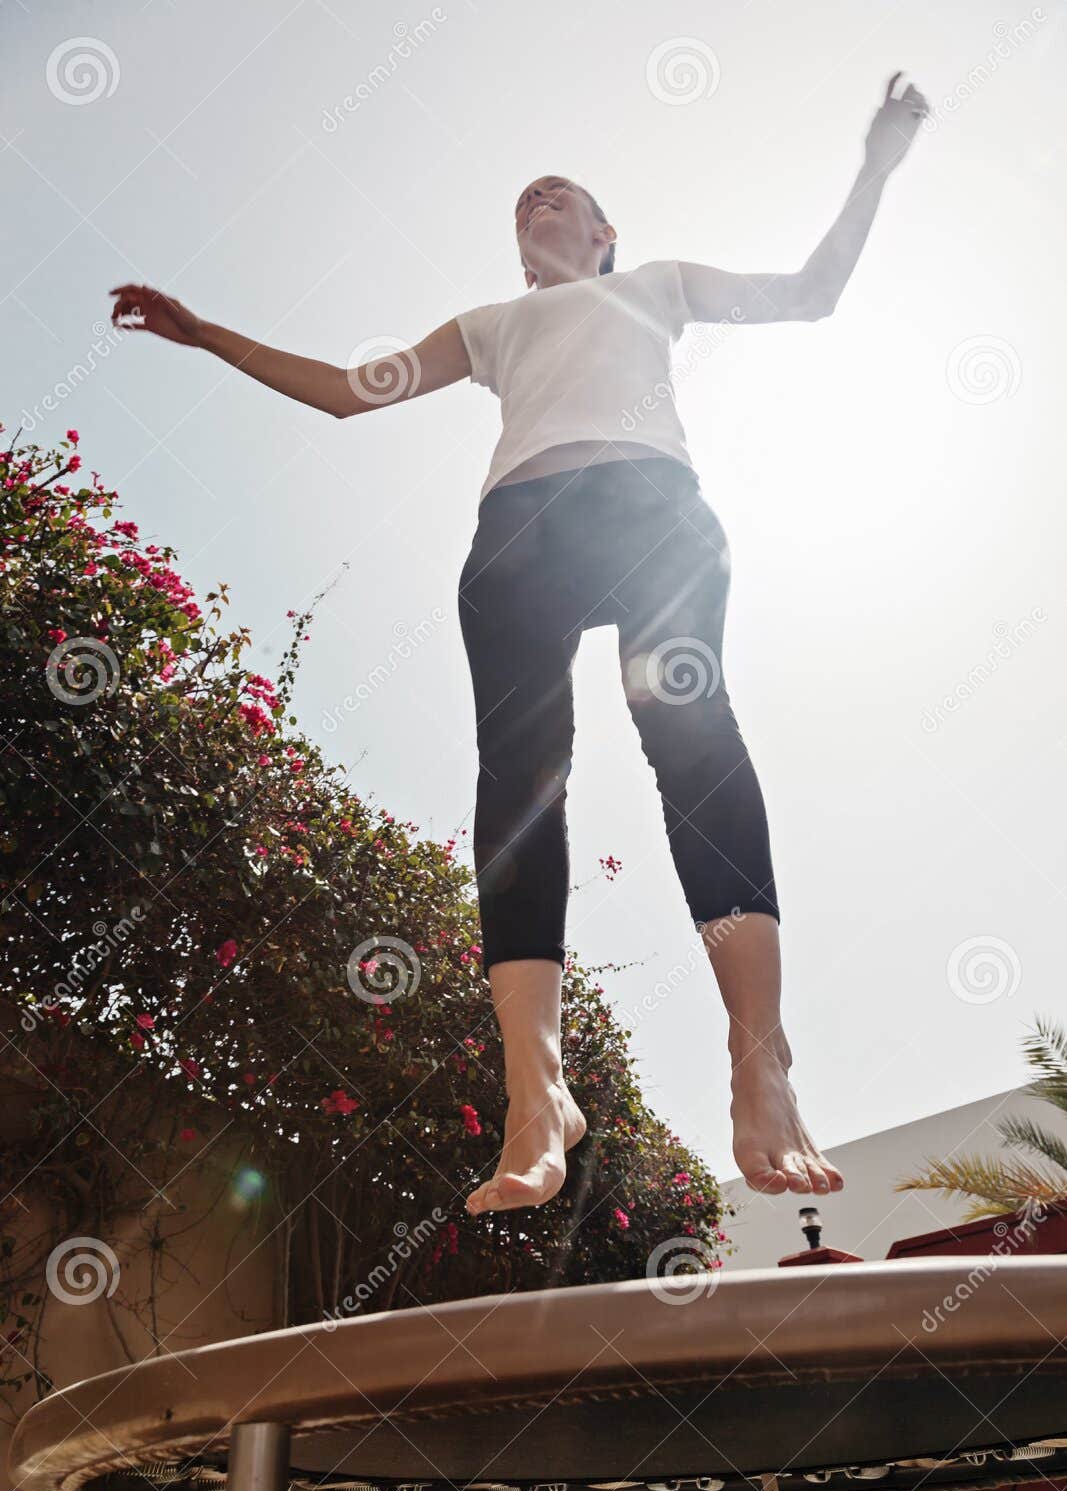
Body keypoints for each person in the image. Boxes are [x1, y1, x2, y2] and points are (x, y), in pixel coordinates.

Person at [110, 72, 928, 1218]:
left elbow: (810, 292)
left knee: (689, 740)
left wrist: (875, 163)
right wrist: (204, 338)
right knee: (519, 785)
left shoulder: (656, 283)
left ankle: (759, 1062)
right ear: (524, 251)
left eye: (564, 194)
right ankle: (535, 1095)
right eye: (523, 198)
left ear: (603, 236)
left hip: (651, 514)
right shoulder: (491, 326)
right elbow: (349, 393)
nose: (536, 196)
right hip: (522, 538)